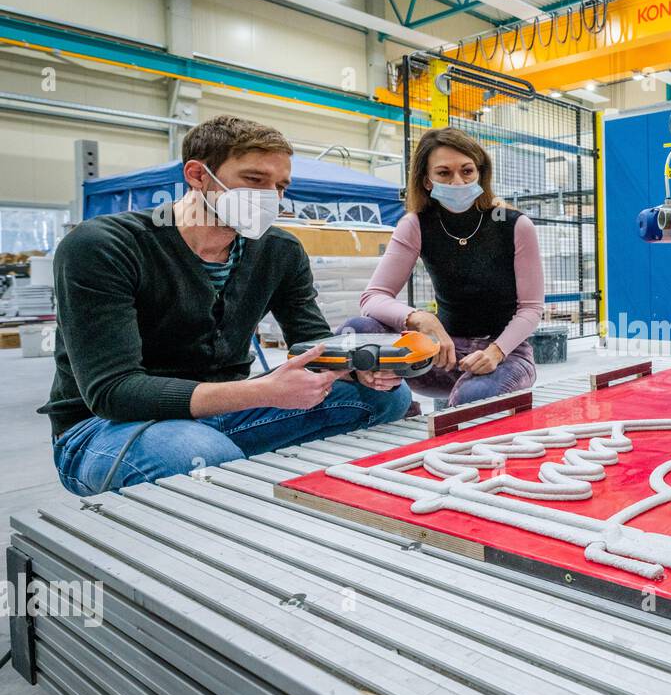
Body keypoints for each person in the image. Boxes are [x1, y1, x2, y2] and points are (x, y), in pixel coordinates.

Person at [40, 115, 412, 496]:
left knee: (387, 398)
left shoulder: (278, 251)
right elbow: (115, 392)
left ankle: (227, 464)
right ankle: (223, 467)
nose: (272, 197)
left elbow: (313, 341)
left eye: (280, 186)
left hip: (225, 412)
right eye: (254, 180)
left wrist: (354, 369)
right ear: (198, 175)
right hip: (109, 425)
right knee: (196, 453)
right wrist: (266, 392)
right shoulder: (105, 247)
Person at [340, 127, 543, 407]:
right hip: (441, 353)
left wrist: (496, 351)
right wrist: (421, 318)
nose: (458, 182)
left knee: (472, 398)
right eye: (445, 173)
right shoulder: (416, 225)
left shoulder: (514, 225)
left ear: (480, 174)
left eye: (467, 171)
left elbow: (531, 309)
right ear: (427, 181)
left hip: (505, 354)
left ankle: (457, 412)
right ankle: (394, 404)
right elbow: (372, 297)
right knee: (356, 330)